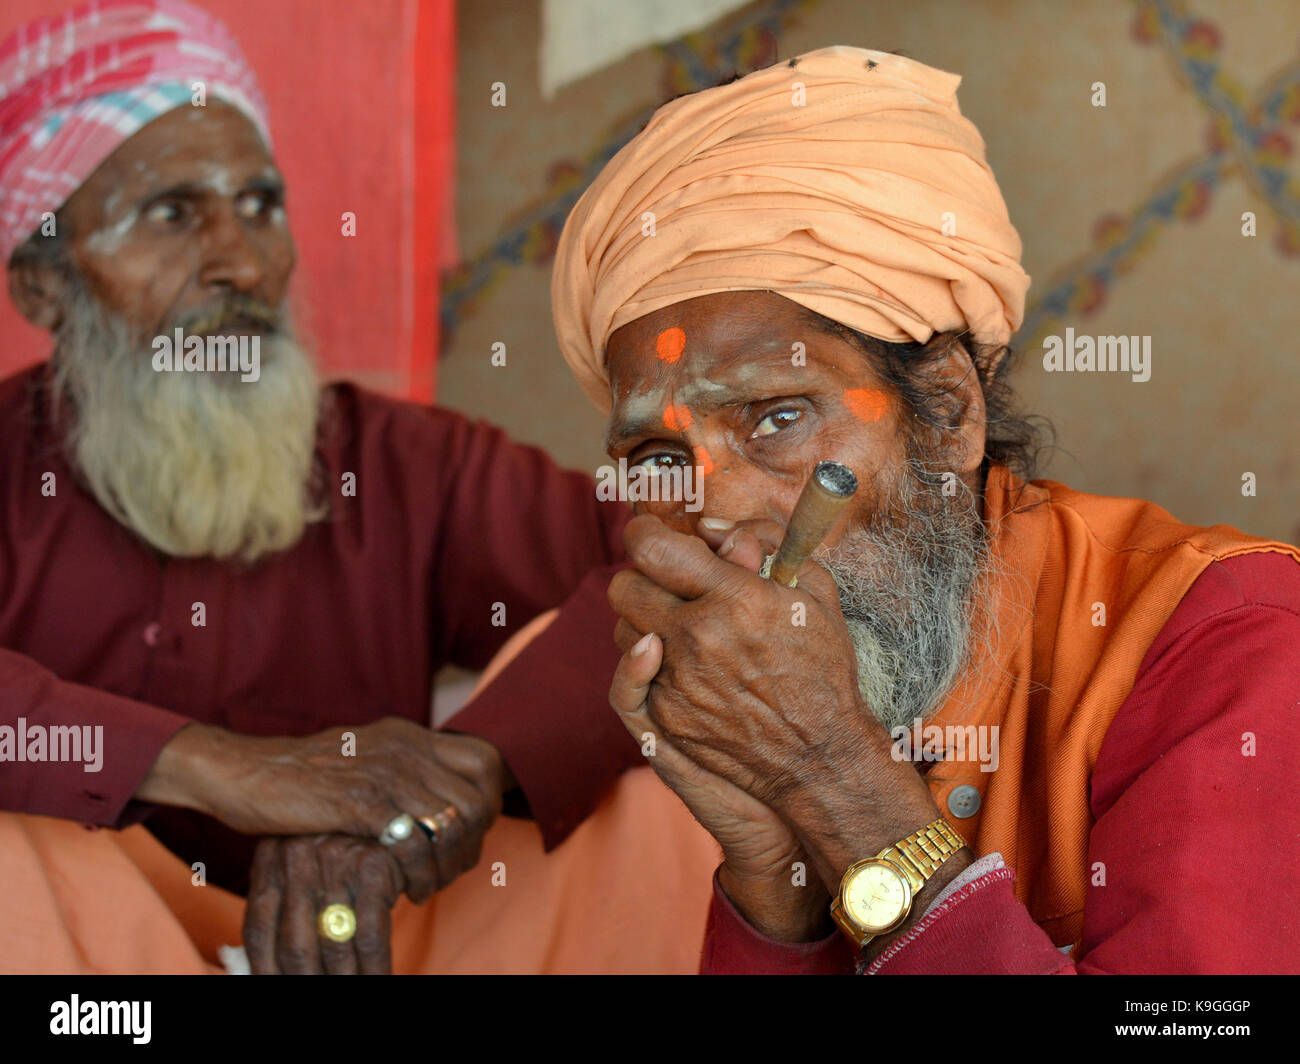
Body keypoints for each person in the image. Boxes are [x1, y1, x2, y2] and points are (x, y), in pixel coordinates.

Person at [1, 0, 719, 975]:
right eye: (170, 215)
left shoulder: (401, 462)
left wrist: (474, 766)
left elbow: (690, 559)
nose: (244, 264)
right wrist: (230, 770)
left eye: (260, 206)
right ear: (45, 284)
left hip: (370, 949)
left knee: (645, 776)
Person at [549, 44, 1300, 974]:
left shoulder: (1226, 639)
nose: (711, 510)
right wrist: (773, 877)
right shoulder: (775, 716)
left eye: (778, 416)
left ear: (946, 414)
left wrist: (835, 781)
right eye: (661, 457)